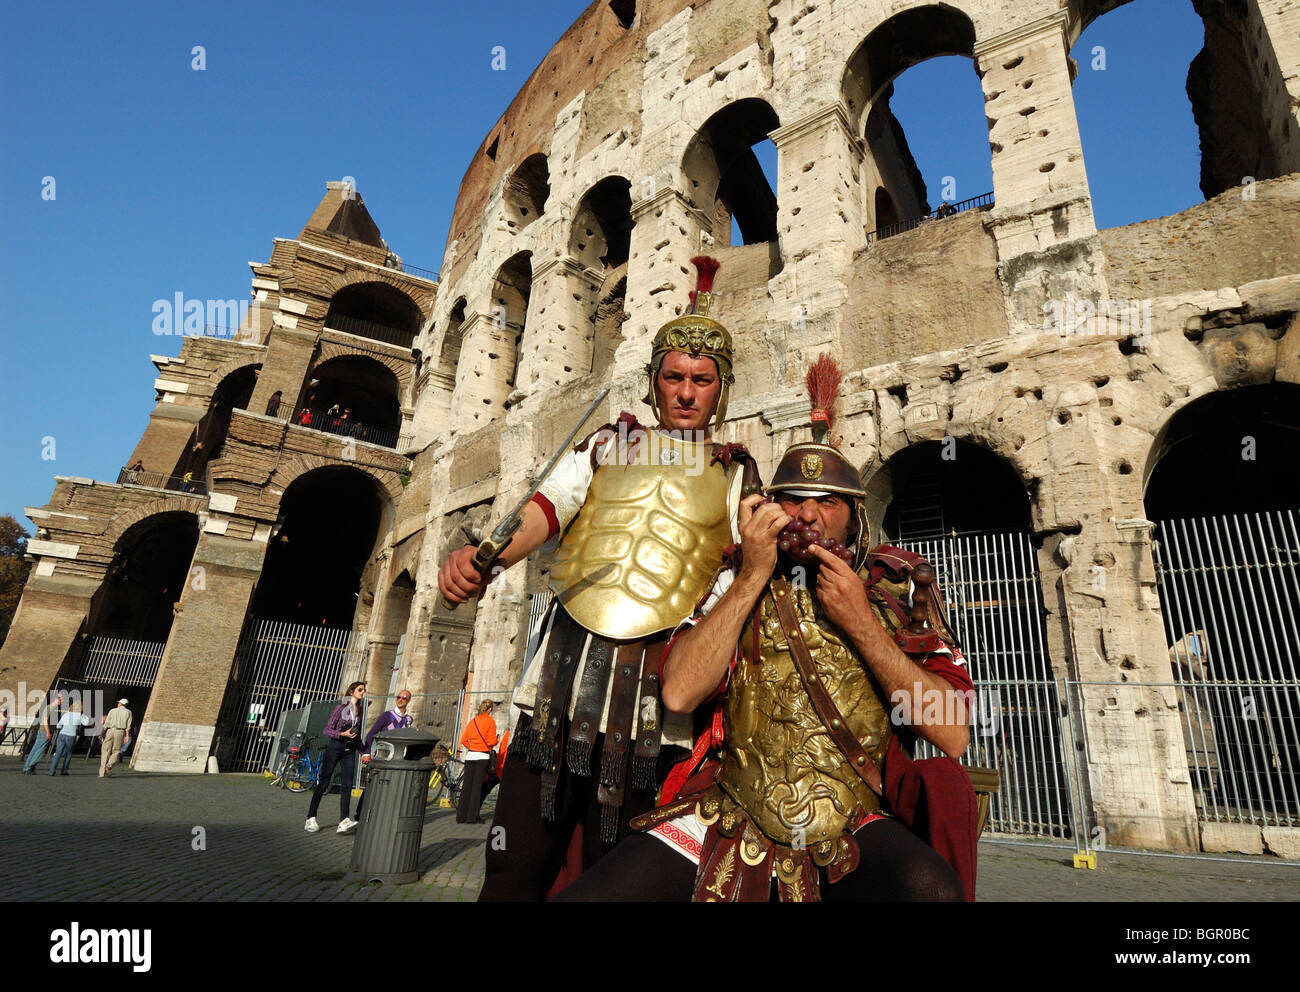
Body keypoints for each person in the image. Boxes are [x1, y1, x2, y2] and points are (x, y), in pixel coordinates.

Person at [555, 366, 977, 902]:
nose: (808, 514)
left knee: (930, 891)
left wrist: (862, 624)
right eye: (795, 499)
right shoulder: (734, 578)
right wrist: (752, 575)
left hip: (854, 813)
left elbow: (953, 734)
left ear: (854, 518)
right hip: (730, 806)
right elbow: (681, 691)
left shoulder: (894, 590)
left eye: (828, 502)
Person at [439, 256, 759, 901]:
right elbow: (546, 508)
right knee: (513, 864)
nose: (687, 392)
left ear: (721, 389)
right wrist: (490, 557)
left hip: (659, 697)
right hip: (559, 680)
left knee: (614, 876)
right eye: (674, 377)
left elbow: (739, 573)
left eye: (702, 379)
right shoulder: (609, 446)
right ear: (654, 383)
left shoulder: (737, 476)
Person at [305, 681, 367, 834]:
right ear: (351, 691)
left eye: (364, 690)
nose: (363, 692)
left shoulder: (359, 710)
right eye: (360, 689)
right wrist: (341, 734)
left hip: (349, 750)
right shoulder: (341, 708)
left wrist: (364, 752)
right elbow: (327, 729)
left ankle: (344, 820)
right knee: (324, 782)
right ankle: (310, 817)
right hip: (335, 747)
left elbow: (357, 735)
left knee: (347, 784)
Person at [355, 689, 414, 820]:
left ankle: (381, 815)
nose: (400, 699)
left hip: (396, 760)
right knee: (372, 786)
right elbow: (371, 734)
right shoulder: (387, 716)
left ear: (408, 700)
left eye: (404, 698)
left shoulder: (409, 719)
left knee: (391, 788)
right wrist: (366, 752)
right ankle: (359, 815)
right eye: (398, 697)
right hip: (381, 757)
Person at [457, 701, 499, 824]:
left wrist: (473, 746)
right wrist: (497, 740)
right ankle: (472, 817)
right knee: (477, 787)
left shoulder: (473, 721)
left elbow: (464, 740)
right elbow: (491, 741)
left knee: (466, 786)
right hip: (482, 757)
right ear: (490, 709)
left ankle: (461, 816)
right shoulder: (490, 721)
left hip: (470, 756)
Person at [22, 691, 63, 774]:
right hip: (44, 732)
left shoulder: (49, 708)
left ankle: (27, 767)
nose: (61, 701)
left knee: (35, 749)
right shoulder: (49, 708)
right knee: (39, 751)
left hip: (42, 731)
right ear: (56, 699)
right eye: (60, 699)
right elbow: (45, 721)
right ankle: (30, 767)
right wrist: (48, 732)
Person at [49, 701, 91, 776]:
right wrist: (86, 714)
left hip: (62, 734)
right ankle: (64, 770)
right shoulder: (79, 715)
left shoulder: (66, 714)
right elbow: (86, 723)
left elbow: (58, 725)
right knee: (68, 753)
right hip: (71, 735)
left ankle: (52, 771)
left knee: (58, 752)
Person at [99, 698, 132, 778]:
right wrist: (127, 736)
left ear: (120, 704)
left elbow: (106, 724)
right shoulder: (129, 712)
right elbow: (128, 726)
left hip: (110, 731)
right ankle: (109, 765)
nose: (118, 704)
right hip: (120, 732)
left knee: (105, 750)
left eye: (119, 703)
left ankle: (102, 773)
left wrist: (101, 733)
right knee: (116, 751)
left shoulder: (112, 710)